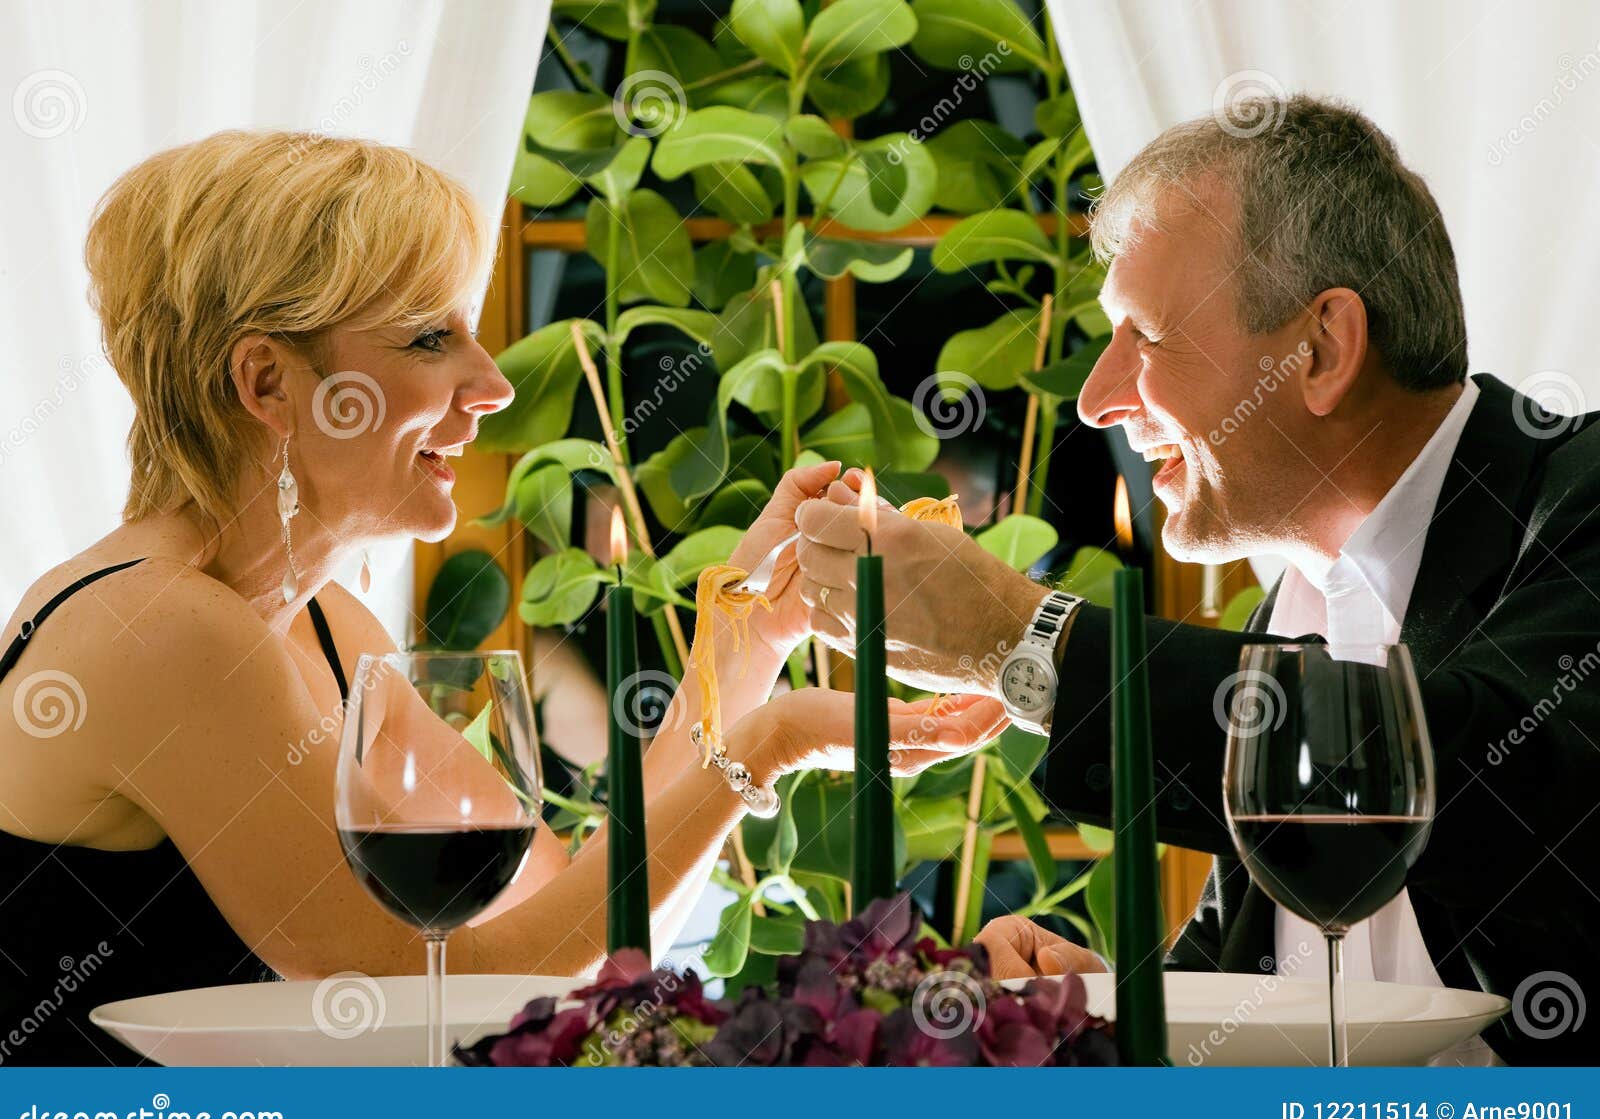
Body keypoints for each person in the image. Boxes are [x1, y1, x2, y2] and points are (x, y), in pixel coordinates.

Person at [0, 130, 1006, 1065]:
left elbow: (561, 910)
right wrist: (765, 746)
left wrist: (743, 643)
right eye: (430, 340)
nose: (491, 384)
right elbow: (413, 988)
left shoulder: (322, 625)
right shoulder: (158, 628)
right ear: (268, 382)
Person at [795, 95, 1600, 1066]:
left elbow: (1501, 781)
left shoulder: (1579, 498)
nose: (1096, 399)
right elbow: (1296, 1014)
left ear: (1321, 348)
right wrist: (1098, 1009)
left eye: (1145, 334)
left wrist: (1026, 636)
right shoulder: (1296, 604)